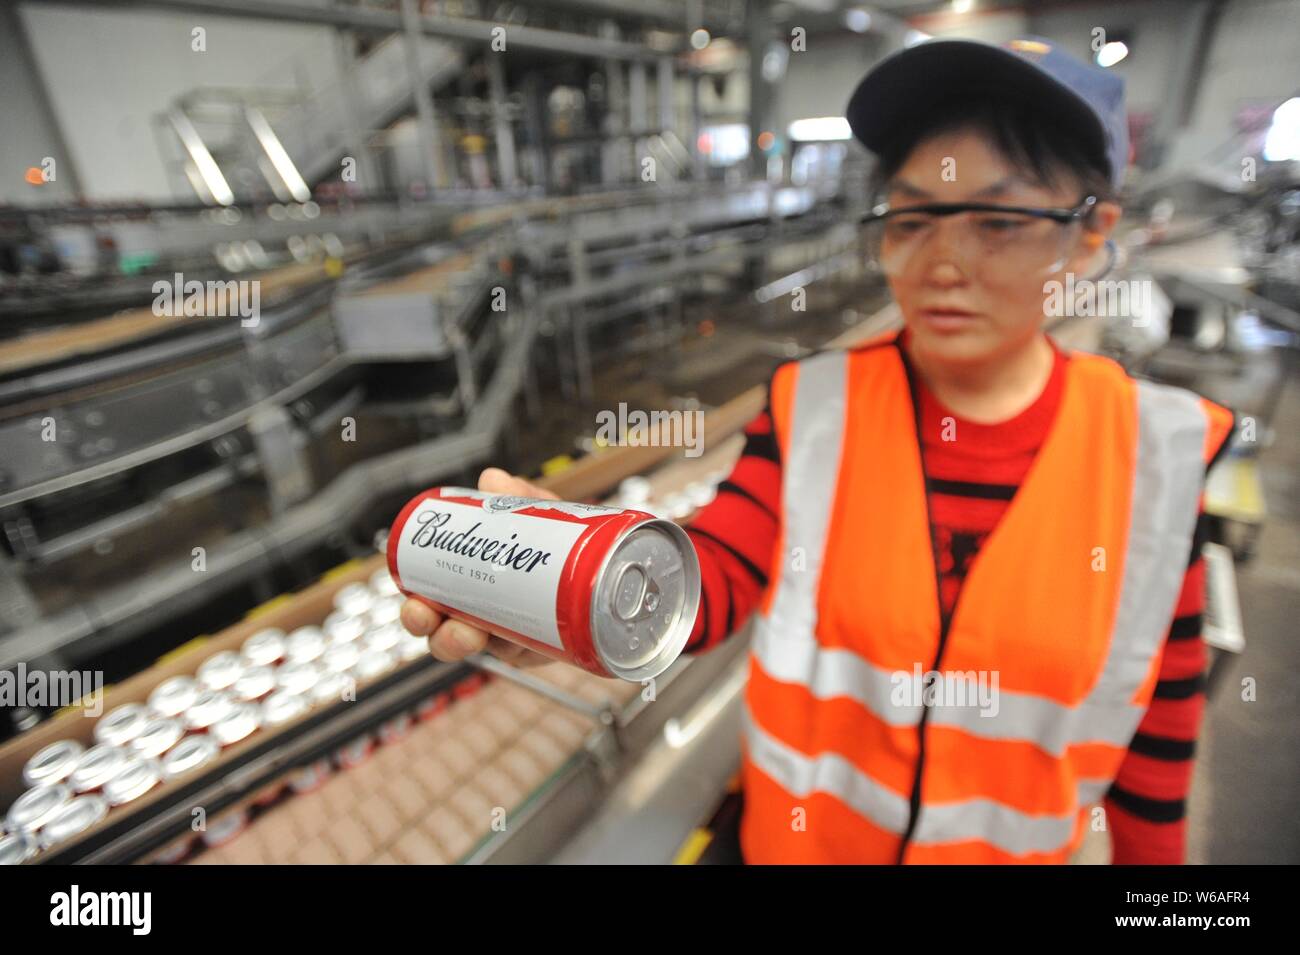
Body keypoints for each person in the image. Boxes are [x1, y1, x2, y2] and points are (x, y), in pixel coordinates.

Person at [399, 36, 1235, 864]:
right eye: (912, 218)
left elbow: (1158, 755)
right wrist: (584, 591)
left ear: (1090, 237)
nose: (943, 261)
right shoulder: (817, 406)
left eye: (999, 221)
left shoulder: (1154, 462)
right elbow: (720, 566)